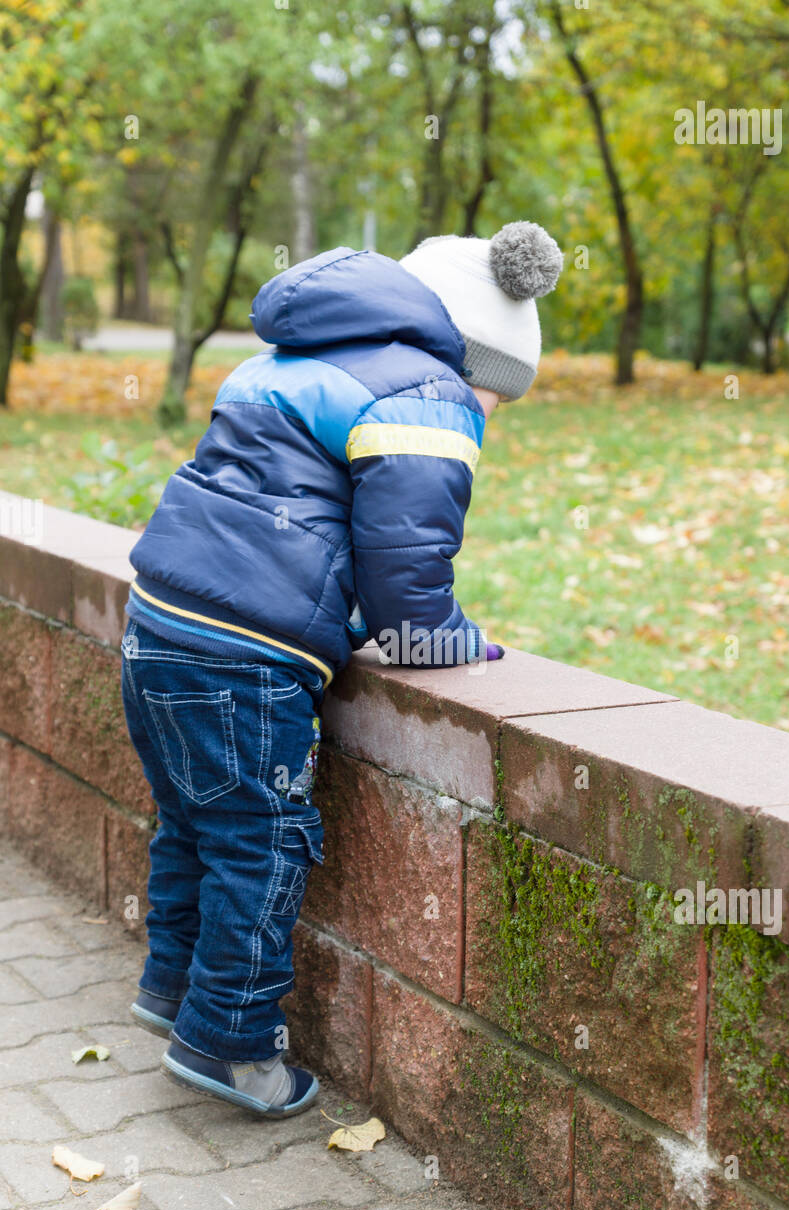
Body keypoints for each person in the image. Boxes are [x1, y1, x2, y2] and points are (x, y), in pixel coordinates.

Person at [120, 221, 563, 1117]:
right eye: (495, 398)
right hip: (245, 657)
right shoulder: (426, 394)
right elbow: (406, 576)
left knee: (192, 823)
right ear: (470, 352)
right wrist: (447, 639)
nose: (487, 416)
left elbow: (285, 505)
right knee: (264, 842)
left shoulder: (284, 359)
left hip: (156, 622)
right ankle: (231, 1043)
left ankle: (169, 989)